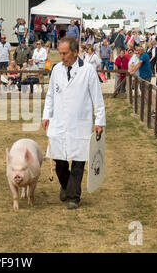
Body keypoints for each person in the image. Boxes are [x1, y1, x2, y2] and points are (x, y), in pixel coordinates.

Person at [42, 37, 106, 210]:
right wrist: (46, 115)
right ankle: (65, 184)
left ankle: (73, 197)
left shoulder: (88, 71)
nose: (62, 57)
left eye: (65, 53)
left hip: (80, 123)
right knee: (59, 160)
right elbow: (50, 95)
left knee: (78, 161)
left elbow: (97, 98)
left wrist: (99, 121)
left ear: (75, 52)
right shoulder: (56, 70)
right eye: (60, 53)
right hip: (59, 121)